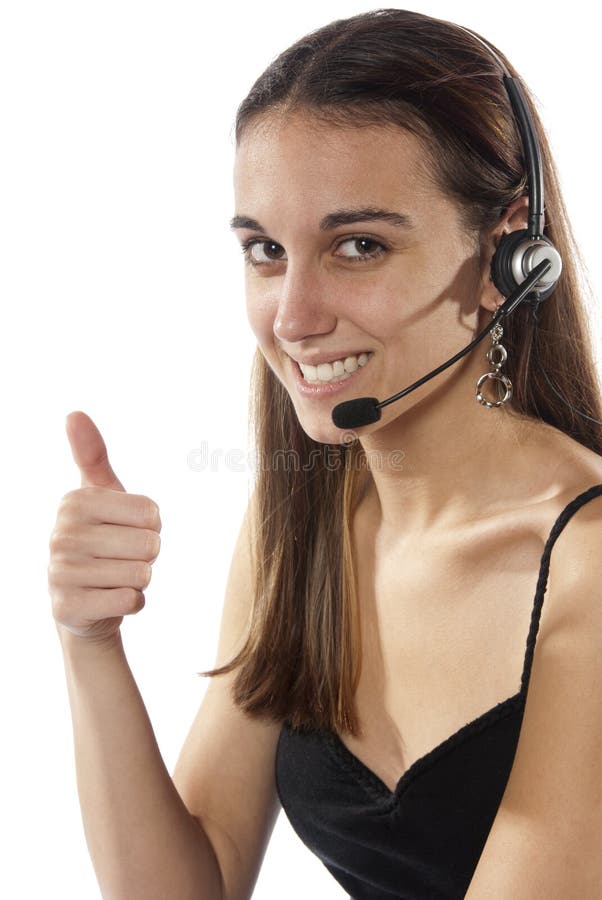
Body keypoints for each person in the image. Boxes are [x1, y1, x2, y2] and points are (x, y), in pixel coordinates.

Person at [47, 9, 602, 900]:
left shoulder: (585, 565)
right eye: (266, 251)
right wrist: (89, 642)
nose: (293, 317)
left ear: (511, 249)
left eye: (358, 246)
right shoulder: (299, 521)